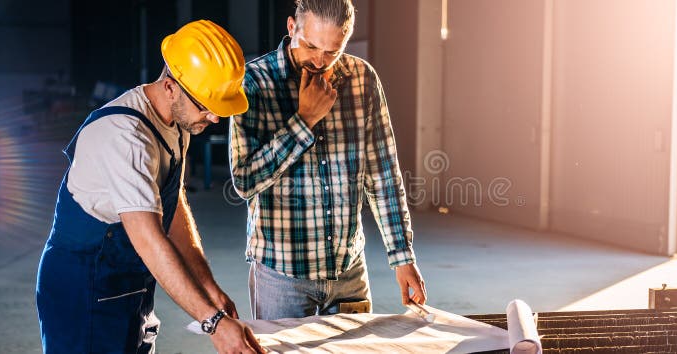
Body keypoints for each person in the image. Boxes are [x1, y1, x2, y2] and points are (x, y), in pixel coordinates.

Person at [36, 20, 265, 354]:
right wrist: (212, 322)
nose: (215, 117)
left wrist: (208, 289)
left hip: (130, 286)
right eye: (205, 105)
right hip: (83, 289)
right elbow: (148, 239)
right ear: (170, 87)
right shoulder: (126, 136)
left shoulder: (179, 121)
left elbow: (173, 206)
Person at [230, 0, 427, 320]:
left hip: (349, 273)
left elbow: (384, 176)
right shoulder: (254, 82)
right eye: (310, 46)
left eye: (332, 51)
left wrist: (403, 257)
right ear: (292, 27)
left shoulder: (362, 79)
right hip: (282, 276)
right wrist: (304, 121)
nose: (320, 61)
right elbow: (244, 181)